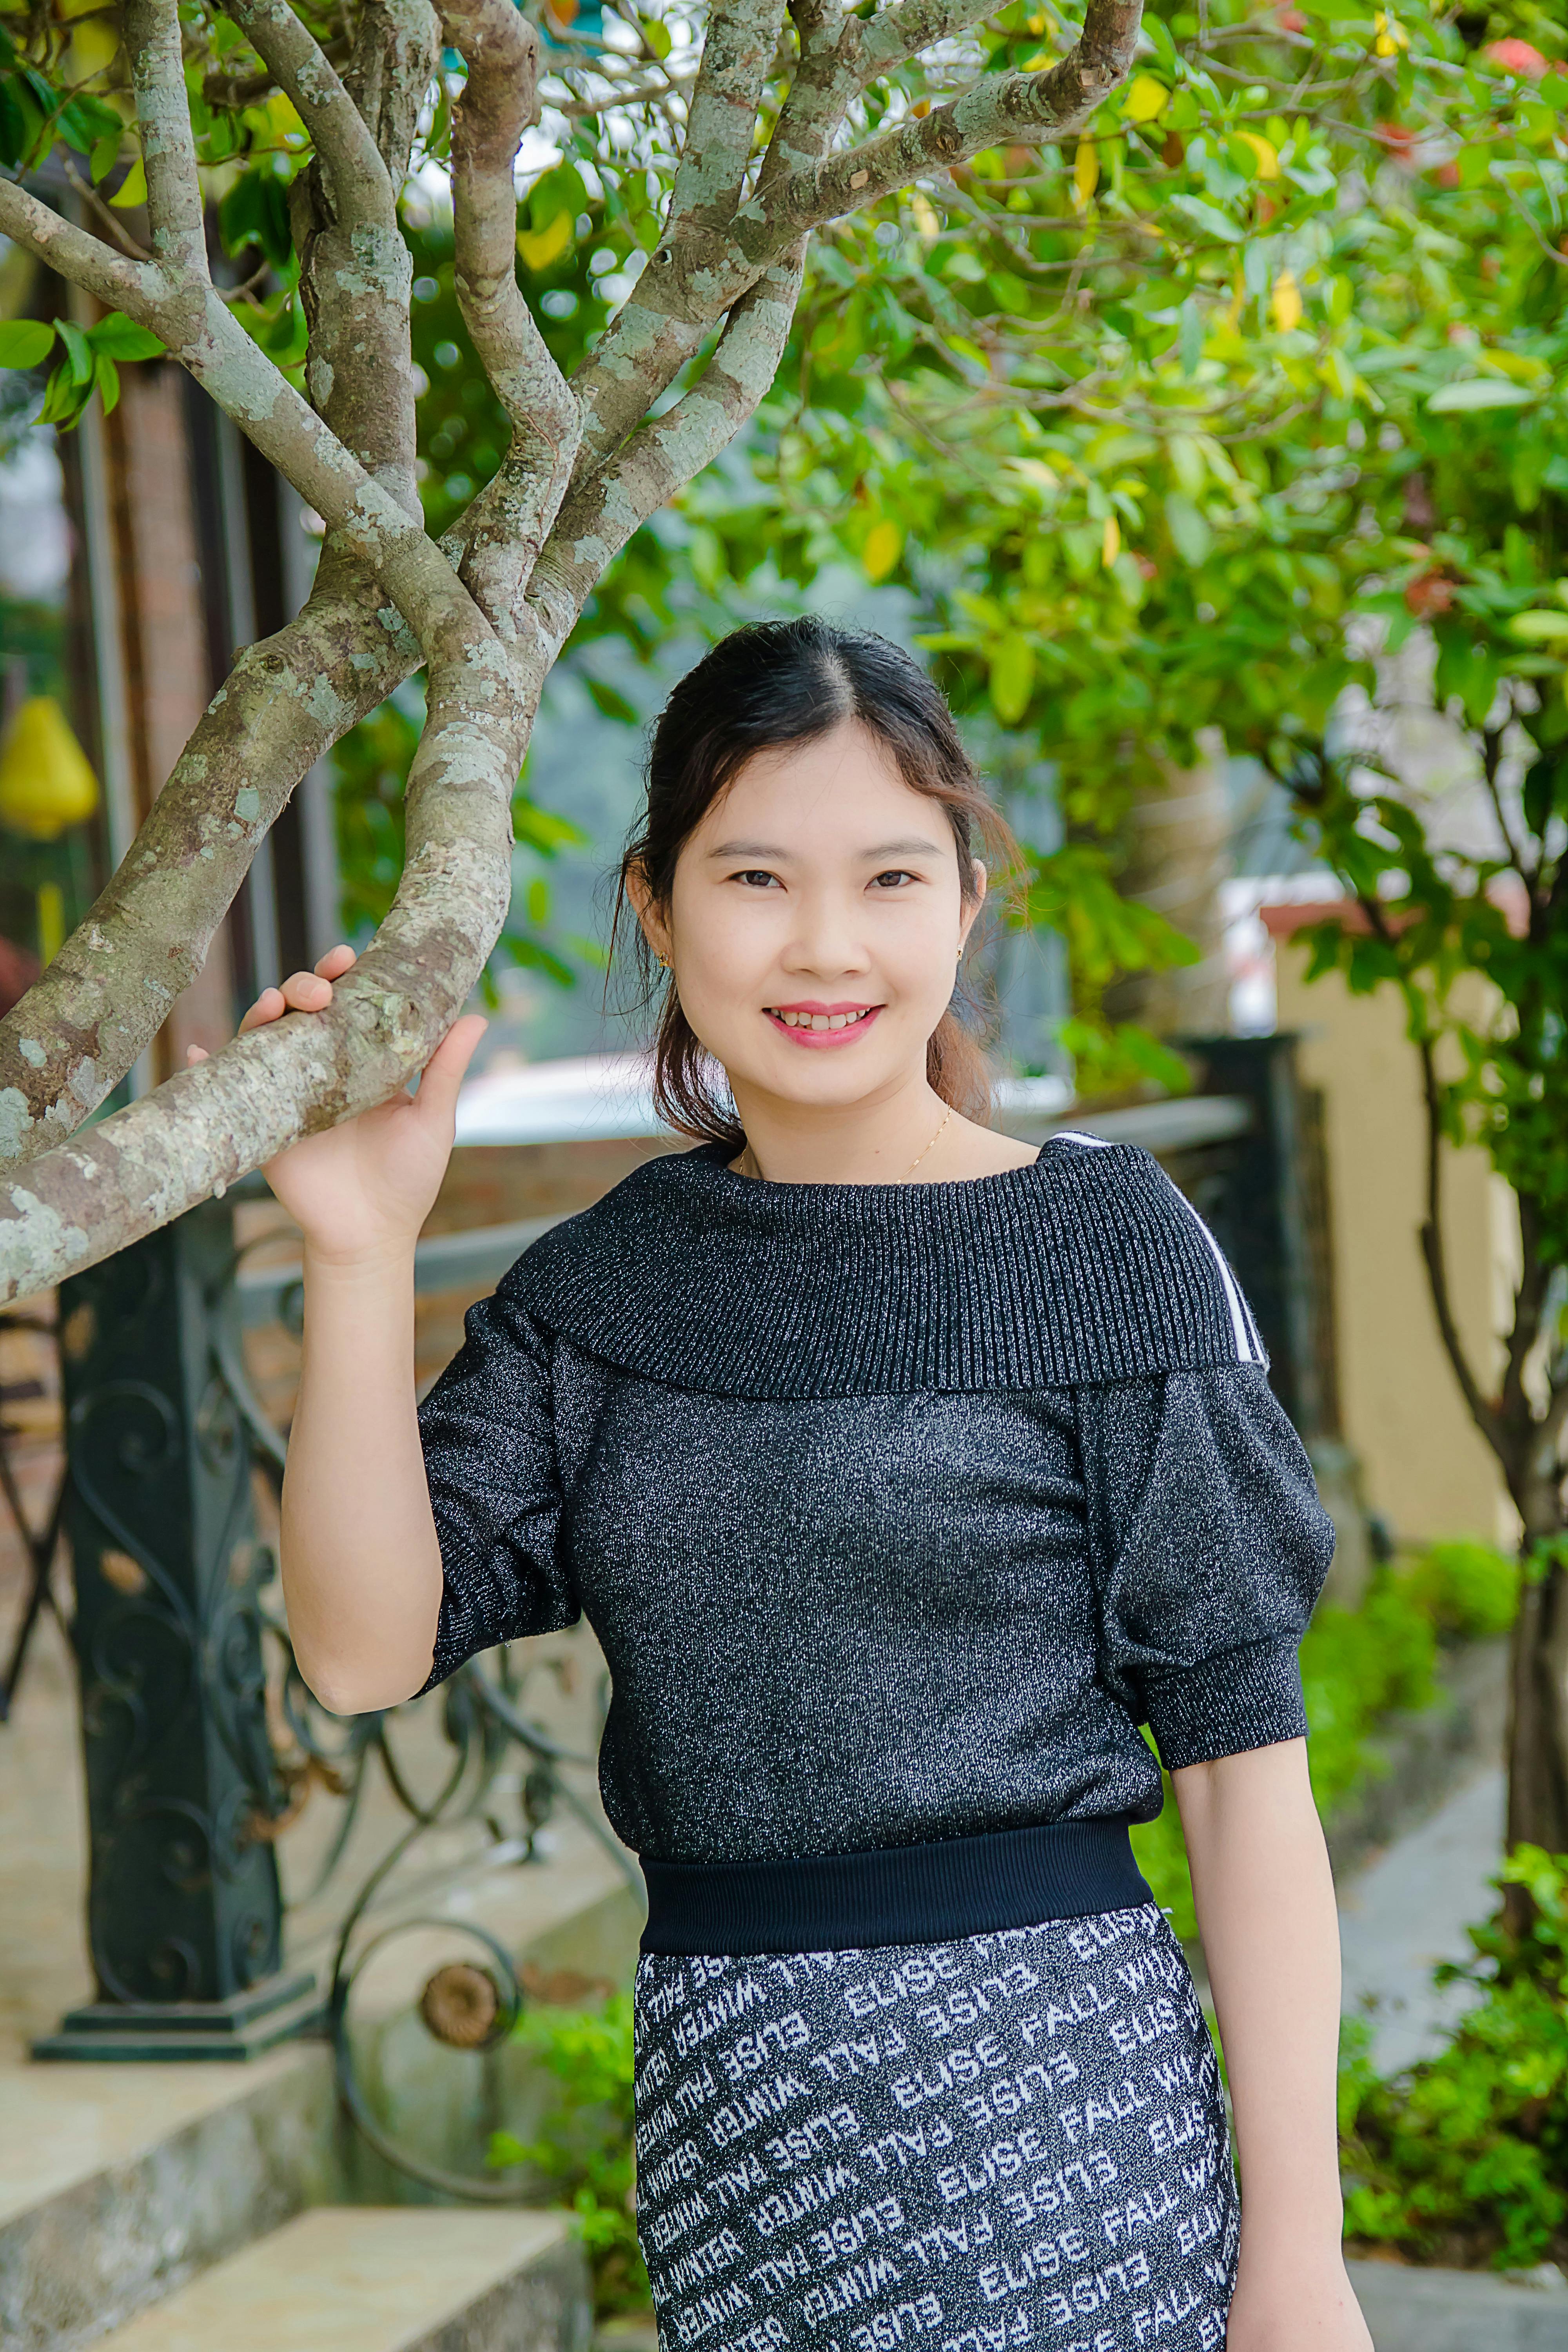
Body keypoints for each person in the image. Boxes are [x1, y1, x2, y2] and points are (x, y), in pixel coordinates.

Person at [238, 619, 1372, 2352]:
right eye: (756, 876)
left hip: (1055, 2113)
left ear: (965, 905)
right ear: (656, 905)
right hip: (733, 2125)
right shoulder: (598, 1295)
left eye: (890, 878)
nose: (824, 945)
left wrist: (1299, 2266)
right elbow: (360, 1651)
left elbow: (1240, 1778)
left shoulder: (1104, 1250)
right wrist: (357, 1251)